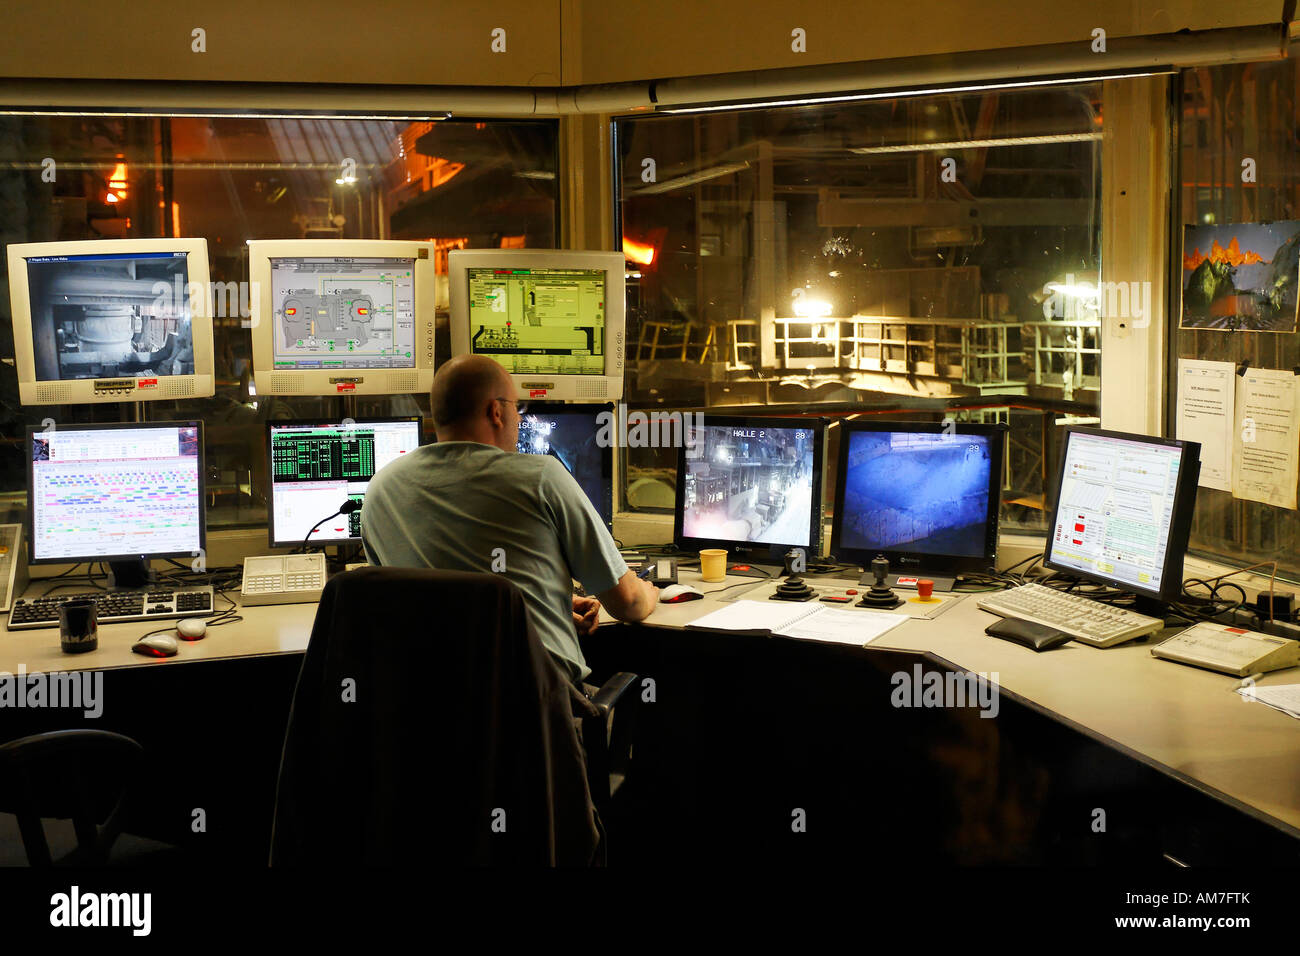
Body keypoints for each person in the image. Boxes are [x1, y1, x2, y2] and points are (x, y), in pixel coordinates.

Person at [360, 355, 658, 690]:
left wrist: (544, 599)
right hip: (537, 715)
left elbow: (423, 597)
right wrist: (650, 594)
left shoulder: (380, 489)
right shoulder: (541, 477)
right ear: (496, 412)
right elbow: (628, 604)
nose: (520, 417)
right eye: (518, 407)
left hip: (430, 717)